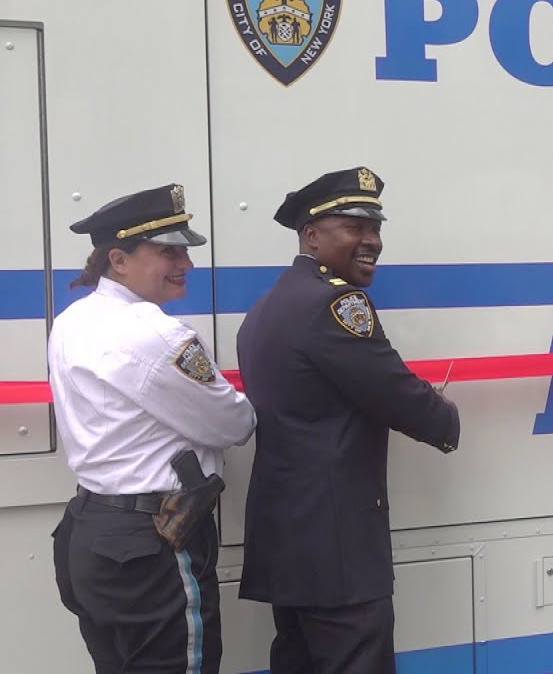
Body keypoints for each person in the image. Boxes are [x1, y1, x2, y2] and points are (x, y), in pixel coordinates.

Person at [237, 166, 461, 674]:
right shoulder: (337, 302)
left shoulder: (268, 306)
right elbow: (393, 391)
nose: (371, 241)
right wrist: (445, 417)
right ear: (311, 235)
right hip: (336, 545)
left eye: (375, 228)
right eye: (355, 227)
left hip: (289, 535)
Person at [48, 184, 256, 673]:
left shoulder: (73, 319)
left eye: (185, 249)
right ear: (118, 259)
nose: (184, 262)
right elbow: (234, 422)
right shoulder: (157, 333)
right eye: (168, 251)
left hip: (92, 531)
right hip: (152, 543)